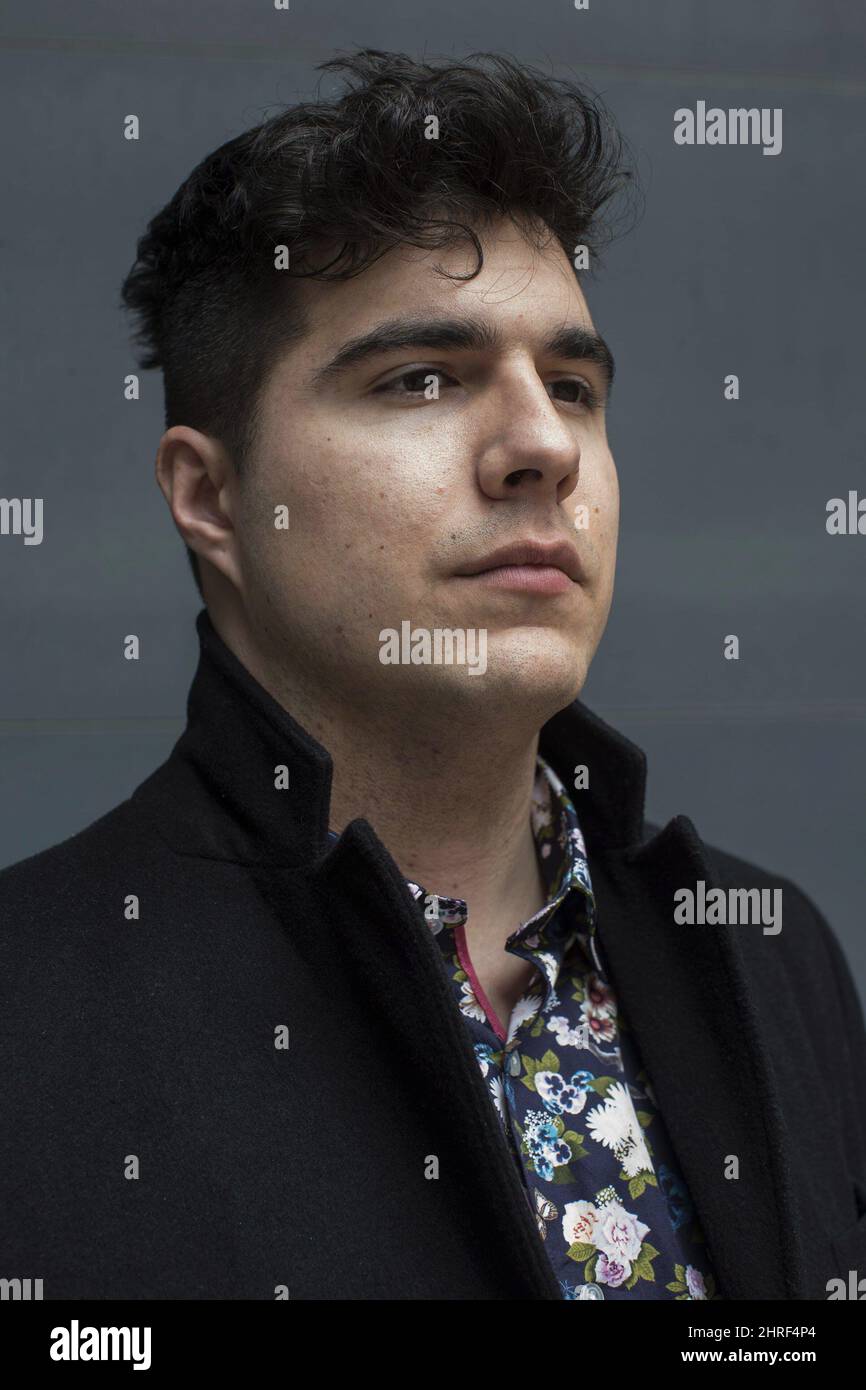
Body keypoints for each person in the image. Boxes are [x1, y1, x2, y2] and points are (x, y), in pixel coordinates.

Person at [2, 48, 864, 1302]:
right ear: (212, 496)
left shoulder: (768, 957)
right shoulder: (29, 1010)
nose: (540, 447)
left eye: (572, 386)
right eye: (420, 379)